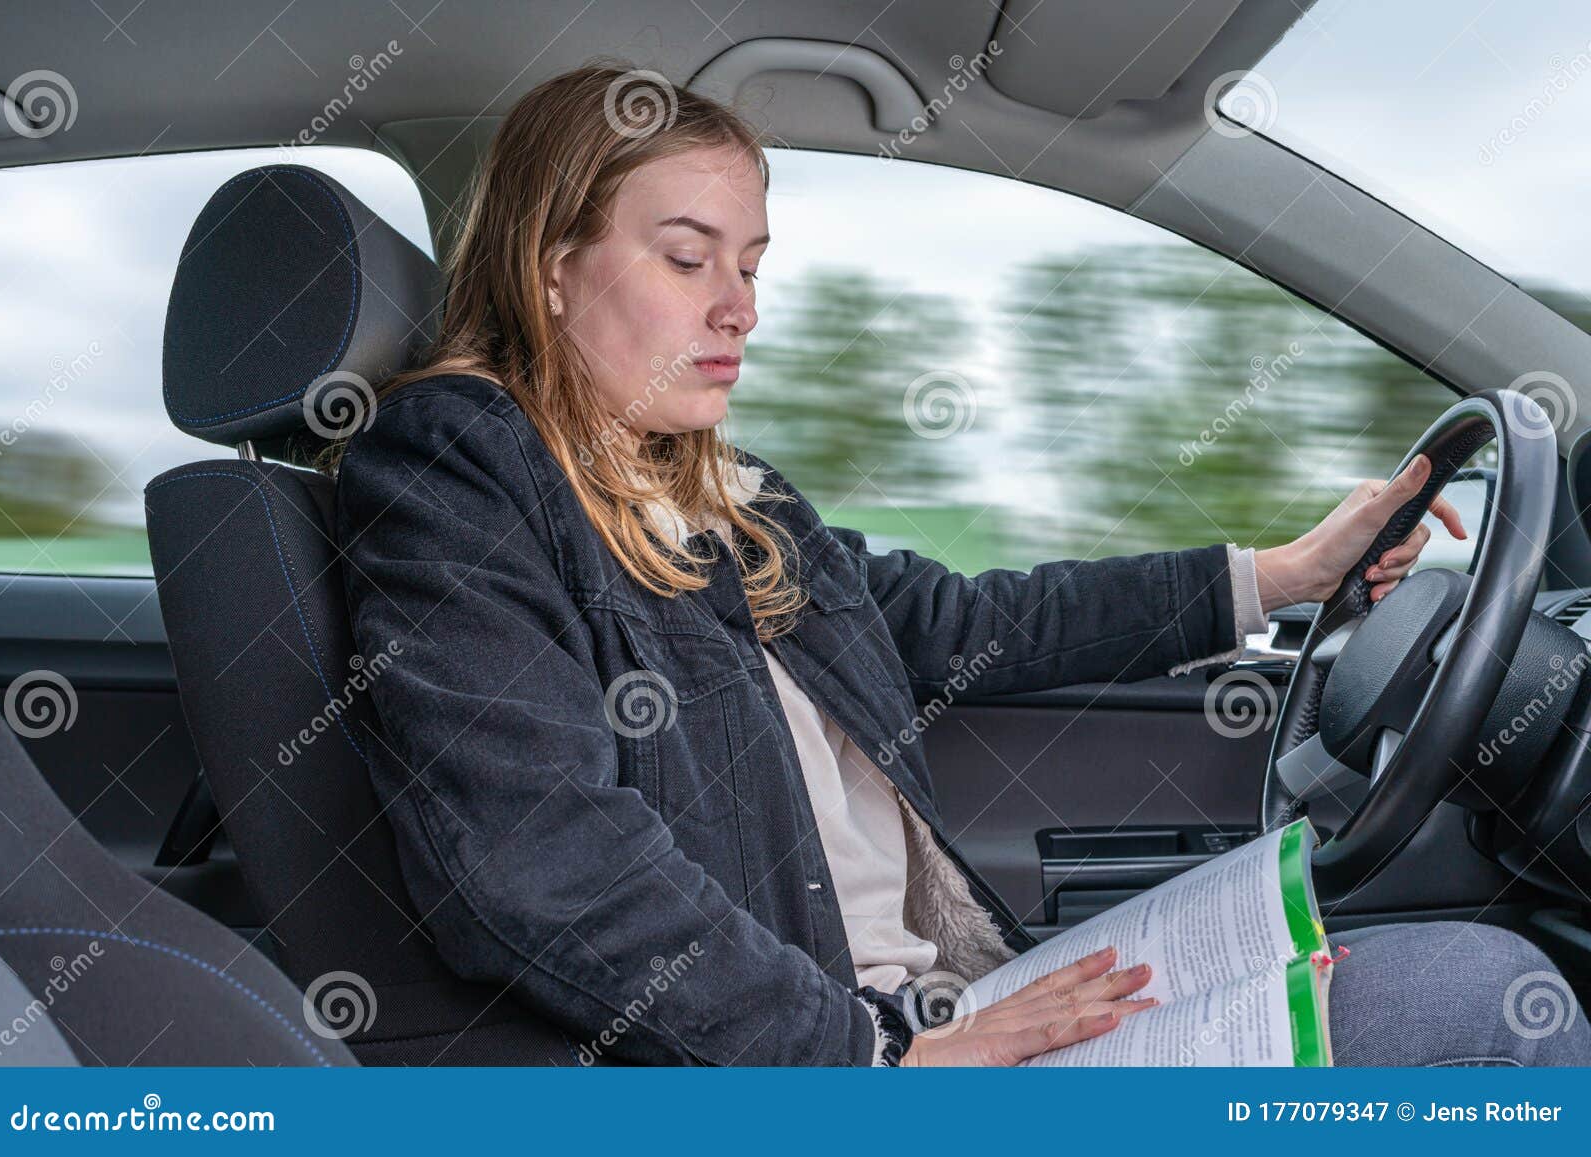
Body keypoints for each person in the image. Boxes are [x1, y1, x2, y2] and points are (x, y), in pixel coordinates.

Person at [328, 62, 1590, 1066]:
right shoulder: (460, 467)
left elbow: (968, 618)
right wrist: (875, 1055)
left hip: (934, 1006)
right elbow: (543, 856)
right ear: (554, 270)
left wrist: (1282, 573)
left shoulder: (712, 486)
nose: (740, 308)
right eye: (687, 255)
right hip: (842, 1056)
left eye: (752, 265)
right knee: (1490, 1003)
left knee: (1366, 971)